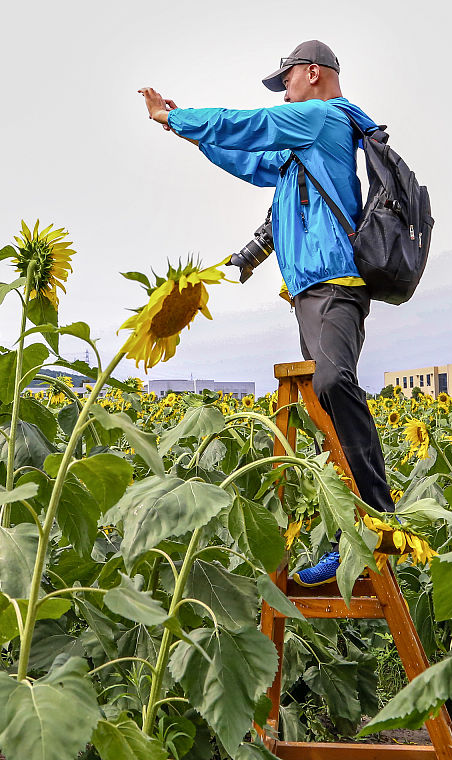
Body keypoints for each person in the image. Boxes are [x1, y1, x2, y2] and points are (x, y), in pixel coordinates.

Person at [139, 40, 392, 586]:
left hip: (335, 284)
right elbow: (248, 158)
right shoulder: (302, 148)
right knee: (324, 413)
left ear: (312, 73)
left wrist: (176, 116)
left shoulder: (322, 118)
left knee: (333, 382)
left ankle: (380, 521)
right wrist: (182, 131)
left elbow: (250, 125)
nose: (285, 94)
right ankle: (350, 540)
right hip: (308, 292)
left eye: (287, 83)